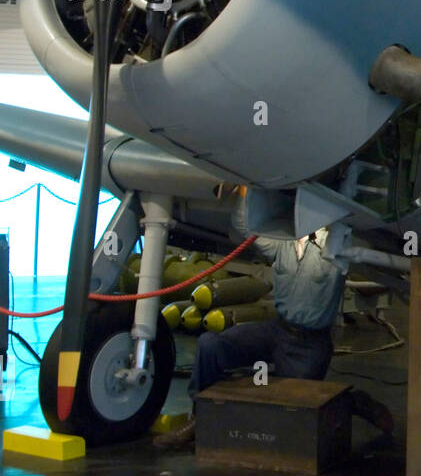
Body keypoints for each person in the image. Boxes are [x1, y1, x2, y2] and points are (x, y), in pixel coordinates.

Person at [155, 191, 392, 448]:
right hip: (277, 332)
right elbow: (244, 226)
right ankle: (199, 420)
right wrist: (247, 189)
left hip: (310, 345)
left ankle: (354, 401)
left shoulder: (336, 245)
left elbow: (364, 245)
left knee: (295, 411)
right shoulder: (282, 243)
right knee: (210, 345)